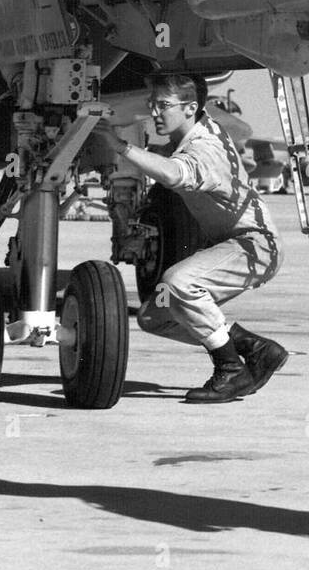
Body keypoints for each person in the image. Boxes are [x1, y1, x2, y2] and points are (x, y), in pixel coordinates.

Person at [94, 73, 288, 405]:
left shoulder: (205, 148)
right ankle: (253, 348)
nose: (156, 113)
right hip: (227, 243)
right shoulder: (193, 132)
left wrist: (120, 146)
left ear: (191, 108)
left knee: (180, 282)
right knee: (156, 315)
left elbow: (172, 174)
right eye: (153, 104)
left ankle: (230, 369)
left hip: (254, 245)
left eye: (165, 106)